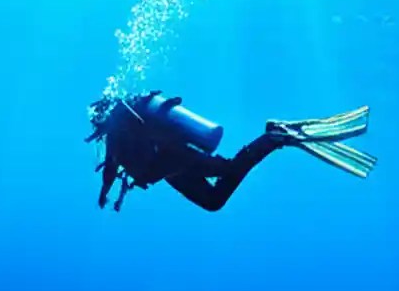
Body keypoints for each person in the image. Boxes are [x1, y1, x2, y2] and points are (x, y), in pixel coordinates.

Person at [85, 90, 377, 212]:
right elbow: (111, 167)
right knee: (213, 201)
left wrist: (104, 192)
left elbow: (112, 166)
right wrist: (103, 193)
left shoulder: (117, 131)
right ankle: (272, 136)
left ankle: (274, 137)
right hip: (171, 168)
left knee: (227, 171)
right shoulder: (118, 132)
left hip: (177, 157)